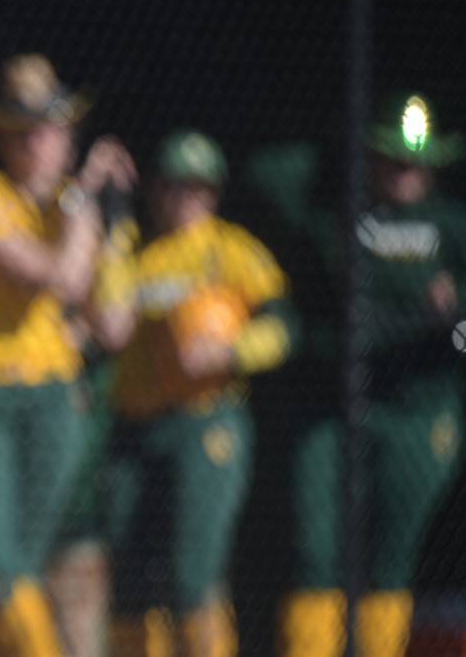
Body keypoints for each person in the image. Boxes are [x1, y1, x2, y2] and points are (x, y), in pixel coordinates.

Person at [0, 52, 135, 656]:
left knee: (24, 555)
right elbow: (60, 278)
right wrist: (82, 207)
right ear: (3, 139)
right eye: (23, 132)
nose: (39, 144)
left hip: (55, 395)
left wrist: (115, 225)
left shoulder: (80, 209)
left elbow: (115, 325)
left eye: (51, 129)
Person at [89, 129, 295, 657]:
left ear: (214, 193)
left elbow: (283, 327)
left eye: (198, 188)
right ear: (155, 189)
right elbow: (108, 321)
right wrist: (111, 229)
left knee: (191, 573)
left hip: (206, 423)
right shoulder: (134, 250)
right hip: (136, 427)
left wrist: (230, 352)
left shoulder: (231, 251)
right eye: (175, 186)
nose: (186, 198)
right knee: (130, 578)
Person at [276, 93, 466, 657]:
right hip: (334, 410)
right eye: (391, 156)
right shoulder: (331, 209)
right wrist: (344, 159)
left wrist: (454, 318)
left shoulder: (450, 227)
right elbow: (272, 170)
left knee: (390, 557)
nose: (406, 171)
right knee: (315, 553)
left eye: (417, 160)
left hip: (417, 413)